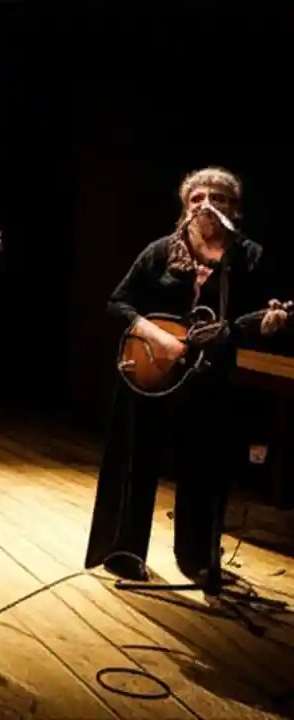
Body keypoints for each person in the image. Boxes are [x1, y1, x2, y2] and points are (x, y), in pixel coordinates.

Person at [84, 167, 288, 581]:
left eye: (218, 197)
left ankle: (198, 556)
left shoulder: (247, 257)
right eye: (197, 197)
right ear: (185, 208)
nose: (207, 203)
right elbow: (117, 303)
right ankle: (123, 550)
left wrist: (269, 321)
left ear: (234, 209)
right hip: (152, 368)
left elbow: (255, 314)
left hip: (210, 372)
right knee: (137, 456)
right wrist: (154, 335)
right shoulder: (160, 251)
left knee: (206, 462)